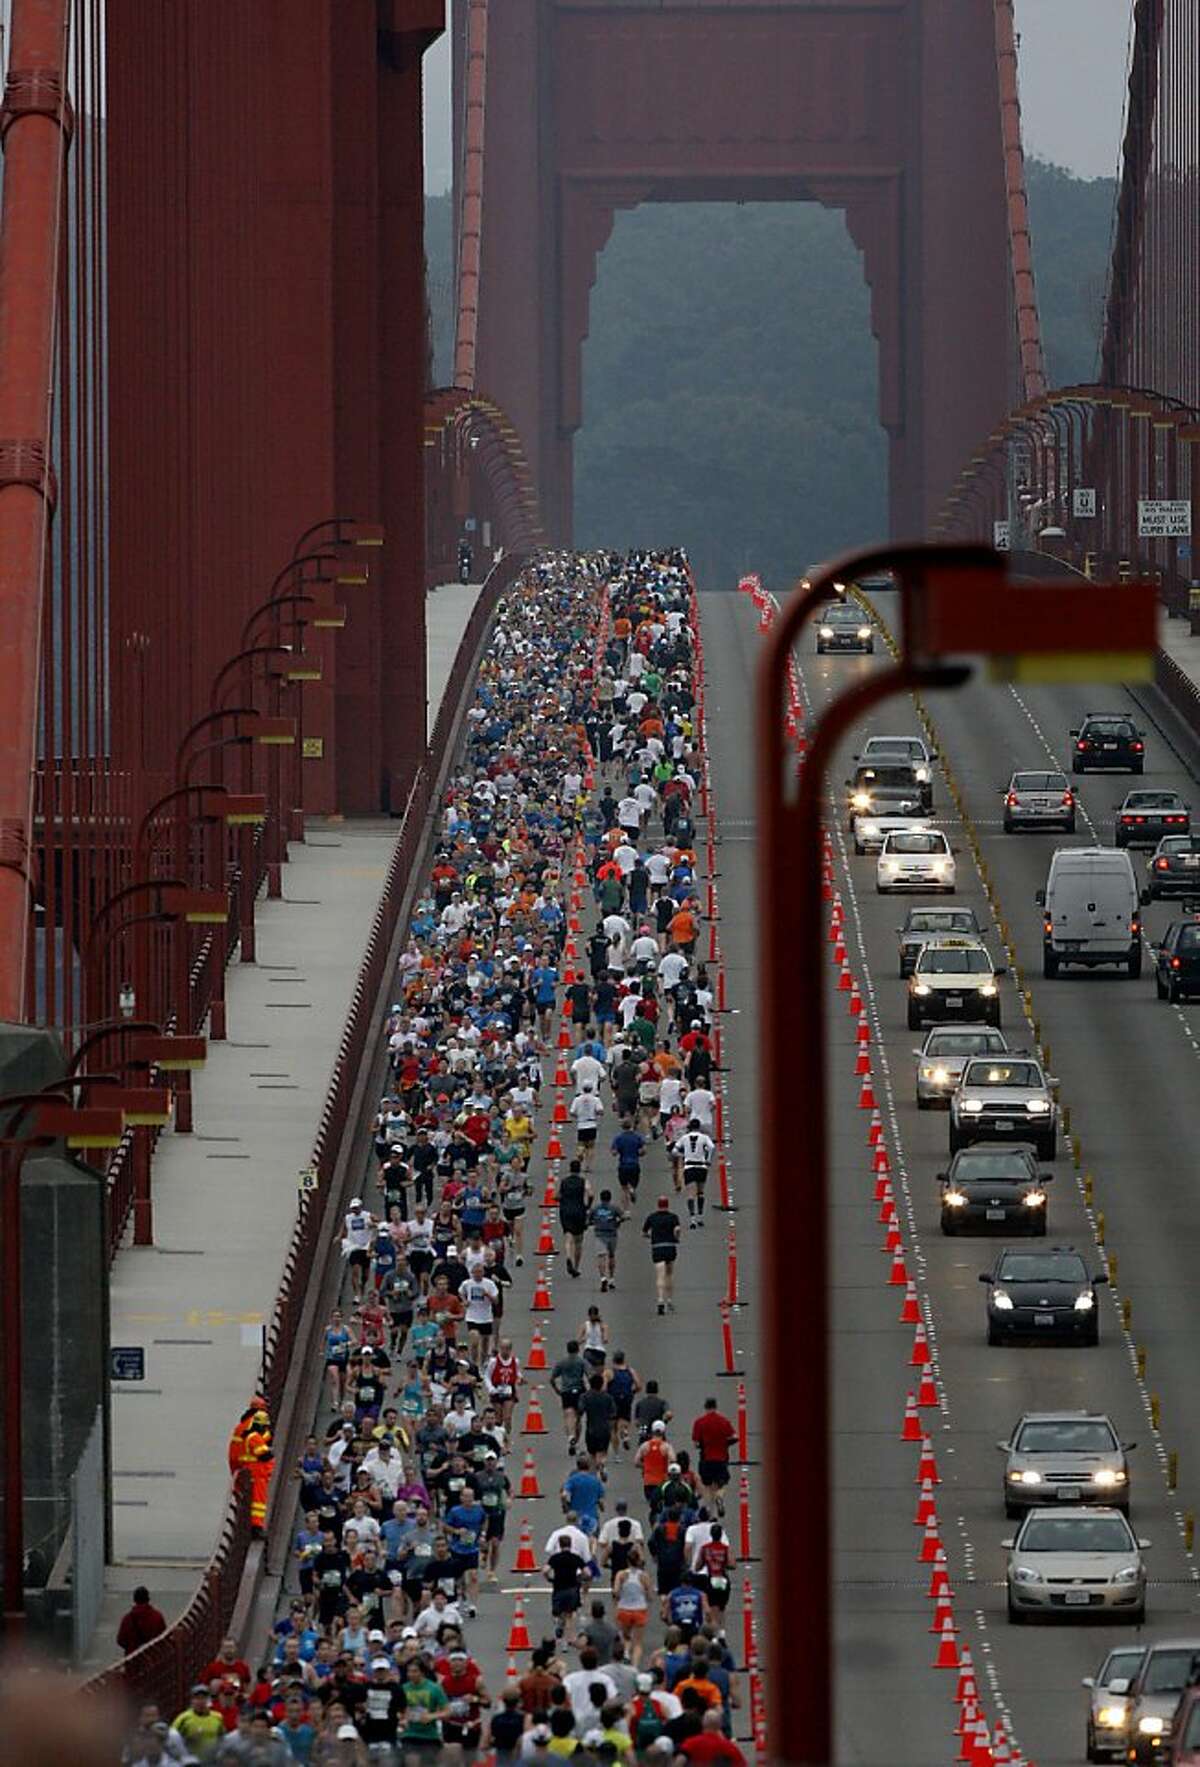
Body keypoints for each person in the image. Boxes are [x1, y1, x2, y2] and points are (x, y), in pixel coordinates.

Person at [691, 1398, 736, 1516]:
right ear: (716, 1407)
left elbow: (695, 1443)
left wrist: (703, 1444)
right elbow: (734, 1437)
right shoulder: (724, 1421)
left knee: (708, 1487)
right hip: (721, 1459)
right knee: (721, 1484)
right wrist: (725, 1443)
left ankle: (710, 1512)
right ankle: (719, 1497)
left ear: (705, 1407)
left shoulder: (699, 1422)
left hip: (706, 1459)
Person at [642, 1194, 682, 1314]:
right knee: (669, 1274)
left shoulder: (652, 1217)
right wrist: (676, 1238)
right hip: (670, 1246)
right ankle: (669, 1299)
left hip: (657, 1247)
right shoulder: (673, 1217)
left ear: (658, 1205)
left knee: (660, 1275)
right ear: (667, 1205)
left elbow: (644, 1232)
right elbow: (677, 1229)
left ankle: (660, 1299)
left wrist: (650, 1236)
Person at [551, 1339, 589, 1452]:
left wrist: (557, 1390)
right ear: (578, 1349)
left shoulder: (562, 1363)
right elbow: (590, 1375)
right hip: (580, 1391)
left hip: (566, 1391)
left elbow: (552, 1378)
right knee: (578, 1418)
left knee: (569, 1415)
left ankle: (571, 1437)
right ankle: (576, 1441)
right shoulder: (582, 1362)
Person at [169, 1686, 226, 1762]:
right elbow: (172, 1740)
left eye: (203, 1698)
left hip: (212, 1760)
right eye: (197, 1698)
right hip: (191, 1761)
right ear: (192, 1701)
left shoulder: (218, 1717)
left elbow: (223, 1739)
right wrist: (188, 1739)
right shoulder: (183, 1718)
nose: (201, 1701)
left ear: (209, 1701)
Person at [677, 1118, 715, 1228]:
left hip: (689, 1166)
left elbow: (675, 1150)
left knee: (690, 1194)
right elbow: (711, 1147)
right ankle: (700, 1216)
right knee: (700, 1192)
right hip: (701, 1166)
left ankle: (692, 1219)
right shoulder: (704, 1137)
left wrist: (683, 1155)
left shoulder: (684, 1138)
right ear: (699, 1127)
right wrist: (708, 1159)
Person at [558, 1159, 590, 1279]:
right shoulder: (583, 1181)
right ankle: (576, 1267)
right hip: (579, 1211)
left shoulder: (564, 1182)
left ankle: (568, 1256)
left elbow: (558, 1195)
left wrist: (559, 1199)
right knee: (578, 1241)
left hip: (566, 1211)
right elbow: (590, 1193)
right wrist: (588, 1205)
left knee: (568, 1236)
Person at [588, 1188, 625, 1290]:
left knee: (601, 1256)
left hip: (600, 1234)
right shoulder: (614, 1208)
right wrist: (618, 1222)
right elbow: (623, 1216)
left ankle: (603, 1277)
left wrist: (592, 1223)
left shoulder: (595, 1208)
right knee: (611, 1256)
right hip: (612, 1234)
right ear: (610, 1198)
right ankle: (611, 1278)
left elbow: (588, 1220)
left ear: (600, 1198)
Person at [117, 1586, 166, 1655]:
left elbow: (120, 1640)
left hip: (133, 1658)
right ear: (148, 1599)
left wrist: (131, 1646)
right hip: (153, 1658)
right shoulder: (157, 1616)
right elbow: (163, 1636)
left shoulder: (128, 1618)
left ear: (134, 1600)